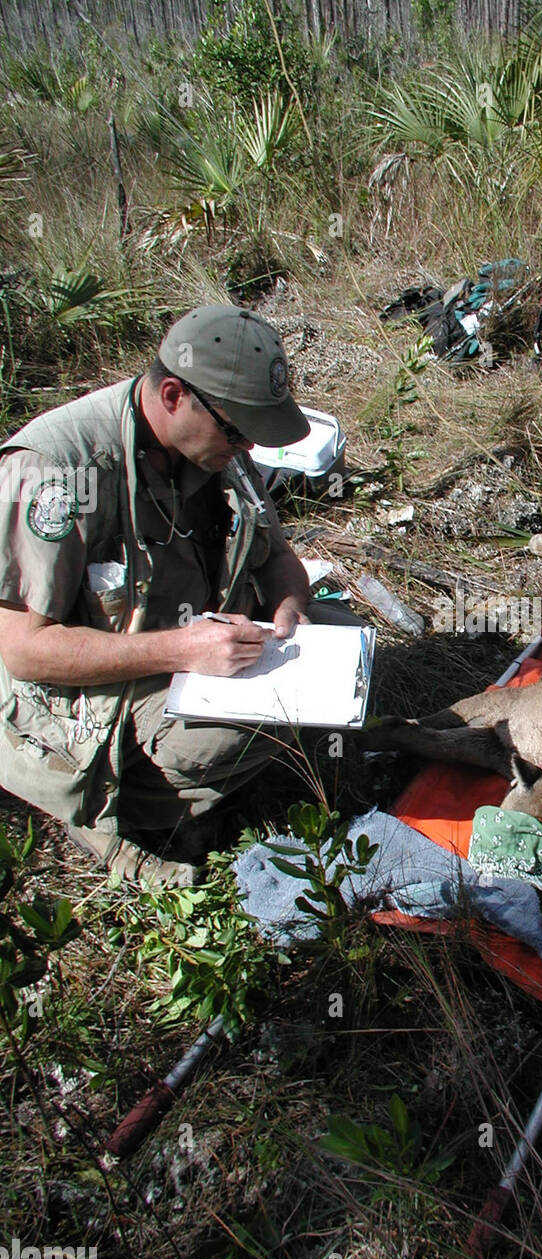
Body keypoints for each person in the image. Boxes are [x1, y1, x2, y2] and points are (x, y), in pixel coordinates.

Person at [0, 304, 332, 885]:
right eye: (237, 431)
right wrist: (184, 650)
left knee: (340, 636)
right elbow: (25, 652)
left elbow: (278, 558)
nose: (248, 450)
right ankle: (131, 809)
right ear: (175, 395)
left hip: (207, 645)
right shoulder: (56, 472)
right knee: (258, 727)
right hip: (100, 693)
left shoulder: (216, 446)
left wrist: (290, 608)